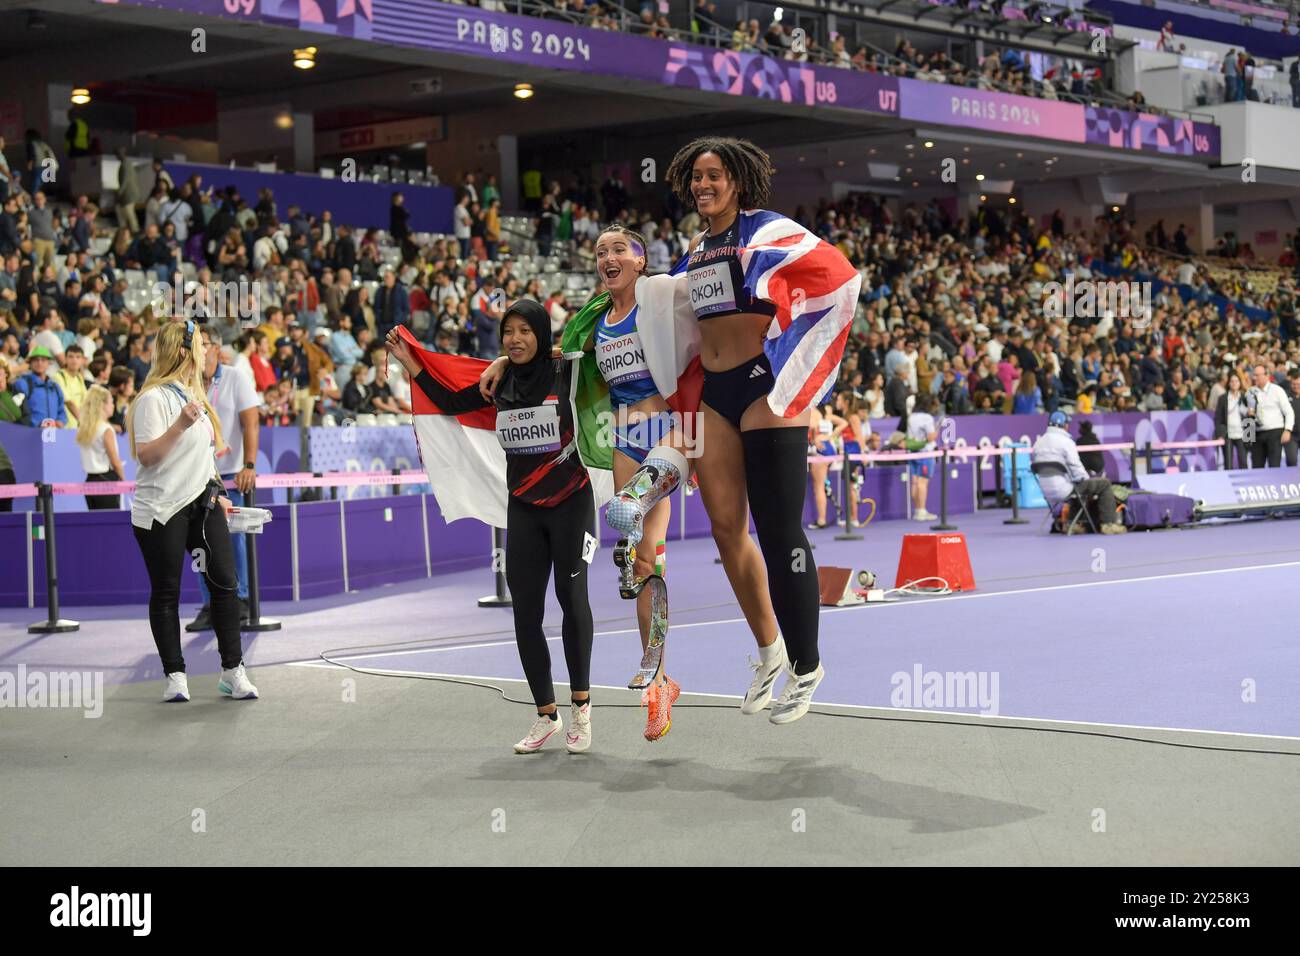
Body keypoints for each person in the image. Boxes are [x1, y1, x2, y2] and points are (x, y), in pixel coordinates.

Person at [608, 137, 861, 724]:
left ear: (737, 182)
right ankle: (770, 651)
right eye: (696, 177)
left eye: (714, 175)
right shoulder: (697, 249)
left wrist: (795, 361)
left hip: (765, 386)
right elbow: (662, 312)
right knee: (726, 529)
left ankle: (807, 664)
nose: (703, 185)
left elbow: (836, 274)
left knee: (777, 532)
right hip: (717, 392)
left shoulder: (766, 232)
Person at [480, 225, 684, 740]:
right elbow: (555, 358)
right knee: (640, 560)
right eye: (601, 251)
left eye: (619, 249)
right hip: (622, 441)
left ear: (640, 259)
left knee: (644, 534)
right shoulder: (594, 322)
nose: (608, 257)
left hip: (669, 431)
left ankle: (656, 677)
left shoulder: (659, 299)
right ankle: (659, 680)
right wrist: (507, 356)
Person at [388, 301, 596, 754]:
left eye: (525, 331)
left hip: (572, 504)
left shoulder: (568, 373)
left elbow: (599, 357)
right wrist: (411, 364)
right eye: (508, 333)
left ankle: (581, 707)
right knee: (525, 611)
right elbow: (447, 401)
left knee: (571, 597)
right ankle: (546, 714)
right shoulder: (498, 382)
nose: (515, 339)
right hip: (522, 508)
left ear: (542, 334)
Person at [127, 320, 258, 702]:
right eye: (200, 345)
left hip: (204, 504)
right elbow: (148, 456)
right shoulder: (153, 399)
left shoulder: (192, 394)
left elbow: (203, 457)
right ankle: (174, 676)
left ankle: (233, 671)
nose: (207, 351)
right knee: (167, 591)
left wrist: (218, 491)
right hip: (161, 509)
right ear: (183, 351)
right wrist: (181, 425)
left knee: (225, 583)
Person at [186, 327, 261, 632]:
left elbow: (251, 422)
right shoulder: (187, 382)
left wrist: (249, 464)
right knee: (198, 540)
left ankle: (240, 599)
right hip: (197, 473)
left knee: (234, 537)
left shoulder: (236, 377)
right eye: (194, 346)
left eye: (202, 345)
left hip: (231, 472)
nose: (198, 351)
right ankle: (209, 603)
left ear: (216, 347)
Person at [1031, 410, 1125, 535]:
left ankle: (1073, 523)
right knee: (1103, 484)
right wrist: (1087, 480)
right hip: (1064, 489)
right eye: (1067, 424)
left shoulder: (1038, 442)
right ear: (1064, 425)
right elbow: (1078, 470)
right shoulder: (1066, 442)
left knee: (1077, 486)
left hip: (1046, 492)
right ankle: (1108, 524)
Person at [76, 384, 124, 509]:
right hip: (106, 481)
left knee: (95, 525)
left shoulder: (84, 428)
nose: (113, 405)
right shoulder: (106, 429)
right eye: (111, 402)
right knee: (111, 524)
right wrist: (124, 481)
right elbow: (115, 462)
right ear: (102, 405)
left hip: (89, 481)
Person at [1244, 364, 1294, 468]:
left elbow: (1288, 411)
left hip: (1274, 432)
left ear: (1266, 375)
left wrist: (1288, 430)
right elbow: (1247, 416)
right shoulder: (1250, 392)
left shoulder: (1277, 390)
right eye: (1254, 375)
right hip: (1257, 433)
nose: (1255, 378)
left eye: (1258, 375)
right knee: (1256, 465)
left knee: (1274, 465)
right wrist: (1248, 437)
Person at [807, 402, 846, 529]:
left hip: (821, 449)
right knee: (823, 484)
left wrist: (814, 438)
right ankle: (824, 518)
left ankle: (821, 519)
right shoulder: (827, 412)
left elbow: (812, 426)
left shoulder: (812, 410)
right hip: (829, 447)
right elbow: (843, 423)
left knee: (818, 487)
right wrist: (831, 436)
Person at [13, 346, 66, 427]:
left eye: (43, 360)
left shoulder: (55, 387)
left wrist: (59, 422)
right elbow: (17, 412)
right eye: (36, 360)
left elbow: (61, 411)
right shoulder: (22, 384)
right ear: (29, 363)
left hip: (52, 435)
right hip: (29, 435)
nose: (39, 363)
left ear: (49, 363)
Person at [906, 392, 938, 522]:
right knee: (923, 482)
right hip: (925, 452)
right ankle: (922, 511)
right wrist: (936, 432)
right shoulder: (927, 418)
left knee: (915, 481)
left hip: (913, 452)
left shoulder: (911, 417)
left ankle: (917, 510)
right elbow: (930, 437)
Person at [1214, 371, 1250, 469]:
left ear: (1240, 383)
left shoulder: (1245, 398)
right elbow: (1218, 418)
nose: (1234, 383)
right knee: (1228, 463)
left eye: (1236, 381)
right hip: (1227, 434)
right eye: (1232, 381)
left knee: (1243, 462)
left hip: (1242, 434)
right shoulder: (1223, 398)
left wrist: (1250, 436)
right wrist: (1219, 434)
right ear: (1228, 383)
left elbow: (1250, 417)